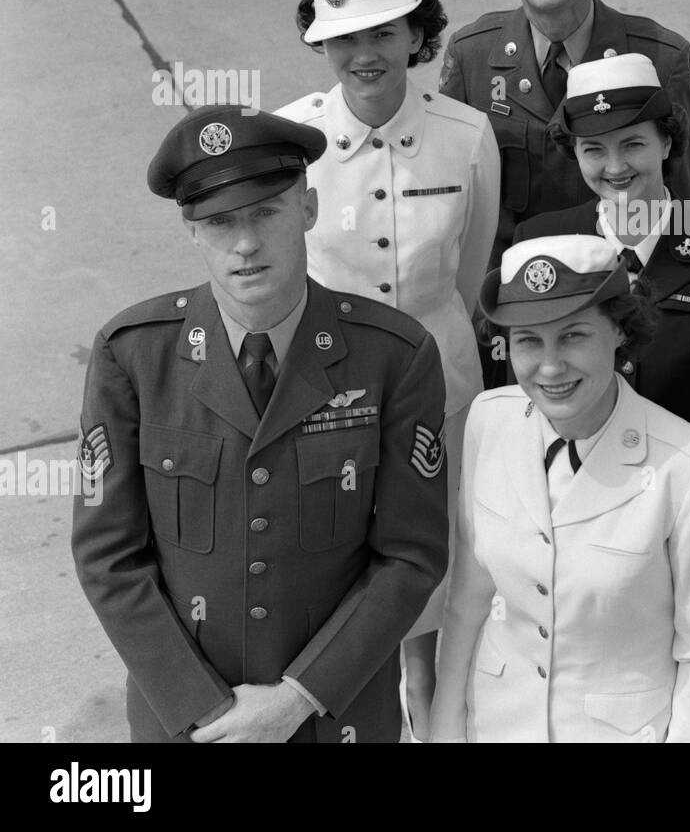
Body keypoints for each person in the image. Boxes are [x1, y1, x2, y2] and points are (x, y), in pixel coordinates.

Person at [72, 106, 448, 743]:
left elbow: (411, 556)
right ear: (191, 231)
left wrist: (298, 701)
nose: (244, 244)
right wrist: (206, 712)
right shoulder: (133, 355)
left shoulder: (394, 356)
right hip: (185, 723)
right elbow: (107, 557)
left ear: (308, 209)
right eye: (219, 222)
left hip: (338, 717)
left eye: (266, 213)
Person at [515, 53, 690, 738]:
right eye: (593, 149)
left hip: (680, 518)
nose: (616, 167)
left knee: (686, 685)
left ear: (669, 141)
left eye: (634, 143)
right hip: (565, 518)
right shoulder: (540, 245)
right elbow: (519, 403)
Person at [278, 0, 499, 740]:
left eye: (382, 31)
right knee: (342, 563)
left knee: (433, 569)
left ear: (416, 33)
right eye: (342, 39)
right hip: (329, 392)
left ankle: (436, 716)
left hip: (439, 390)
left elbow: (469, 277)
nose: (363, 55)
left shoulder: (467, 136)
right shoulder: (294, 135)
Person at [429, 236, 690, 742]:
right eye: (528, 340)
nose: (550, 367)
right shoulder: (488, 421)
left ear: (620, 330)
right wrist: (443, 732)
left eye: (573, 336)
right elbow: (467, 600)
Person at [439, 0, 690, 279]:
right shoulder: (473, 59)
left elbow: (687, 210)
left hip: (625, 304)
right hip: (514, 303)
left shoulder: (660, 58)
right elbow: (458, 206)